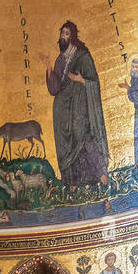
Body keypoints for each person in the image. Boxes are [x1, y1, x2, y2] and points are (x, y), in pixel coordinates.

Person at [42, 21, 109, 190]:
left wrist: (80, 80)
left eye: (65, 33)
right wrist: (49, 67)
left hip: (81, 105)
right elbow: (54, 88)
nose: (62, 37)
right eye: (61, 33)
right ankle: (73, 182)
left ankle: (100, 174)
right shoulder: (59, 60)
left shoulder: (82, 56)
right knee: (67, 143)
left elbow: (93, 81)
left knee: (83, 136)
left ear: (72, 36)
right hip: (63, 109)